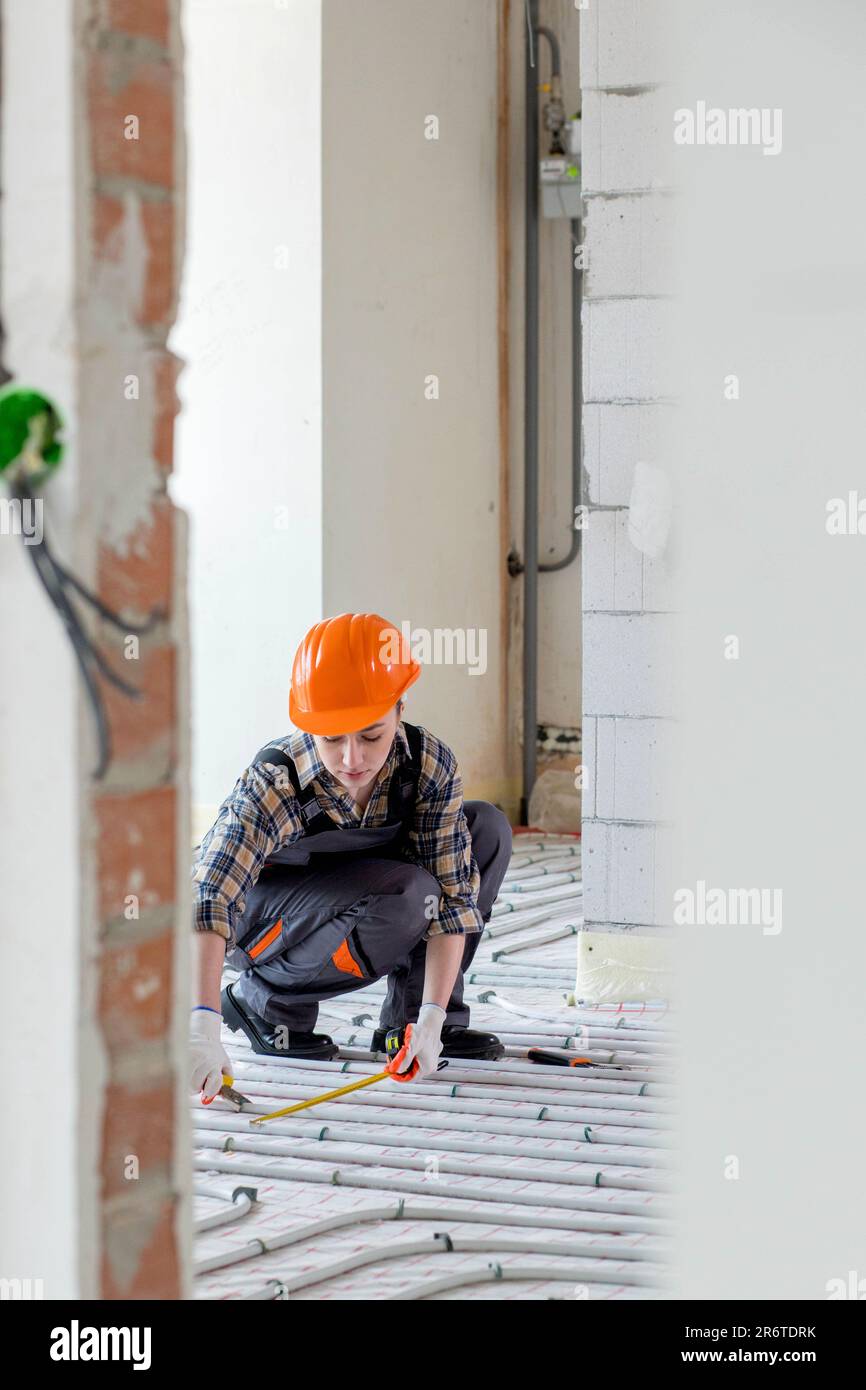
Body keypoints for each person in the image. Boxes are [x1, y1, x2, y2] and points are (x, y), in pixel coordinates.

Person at [189, 611, 512, 1101]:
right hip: (265, 926)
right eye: (332, 739)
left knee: (484, 829)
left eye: (370, 735)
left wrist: (431, 1020)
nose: (352, 759)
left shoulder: (427, 765)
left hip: (361, 890)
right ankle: (266, 1006)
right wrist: (201, 1026)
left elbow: (452, 900)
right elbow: (209, 896)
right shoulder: (277, 782)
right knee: (408, 894)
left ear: (399, 710)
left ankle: (407, 1027)